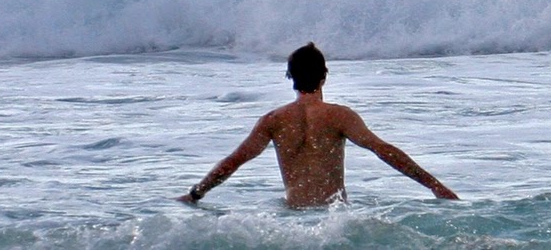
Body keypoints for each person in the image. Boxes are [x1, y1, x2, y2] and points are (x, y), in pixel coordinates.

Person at [178, 42, 459, 207]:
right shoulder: (339, 116)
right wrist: (435, 186)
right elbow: (384, 150)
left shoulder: (273, 121)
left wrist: (195, 194)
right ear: (325, 76)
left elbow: (233, 161)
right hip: (333, 219)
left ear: (289, 77)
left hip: (293, 220)